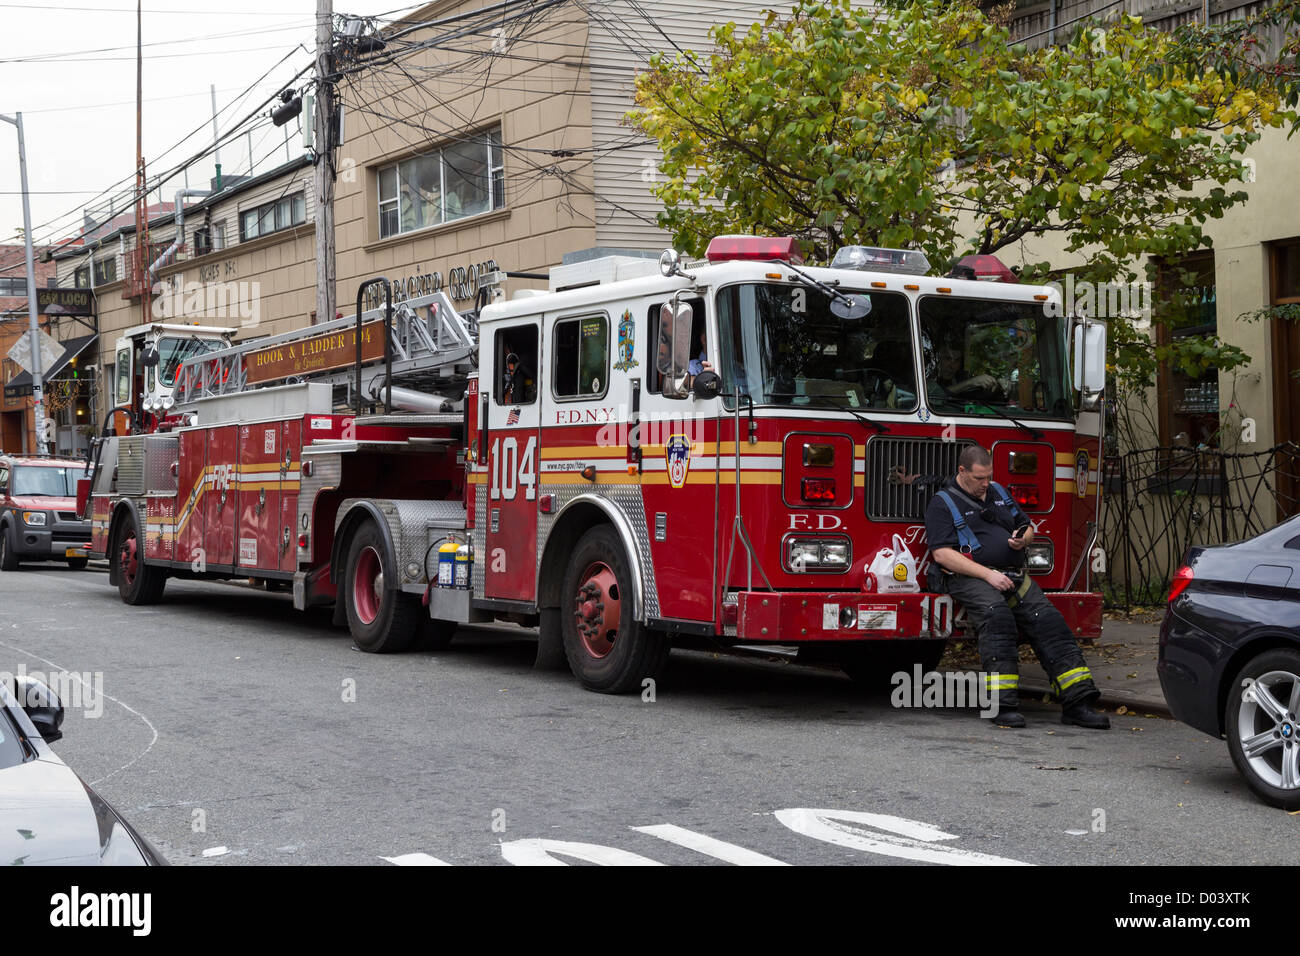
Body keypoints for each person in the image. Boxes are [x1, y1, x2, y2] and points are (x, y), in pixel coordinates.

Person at [923, 444, 1110, 730]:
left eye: (989, 477)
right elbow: (943, 554)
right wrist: (988, 575)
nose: (986, 484)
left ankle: (1078, 702)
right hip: (969, 578)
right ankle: (1003, 705)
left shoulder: (997, 492)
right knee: (996, 618)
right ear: (962, 472)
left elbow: (1027, 524)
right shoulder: (942, 503)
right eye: (979, 479)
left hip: (1012, 575)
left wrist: (1025, 539)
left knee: (1048, 620)